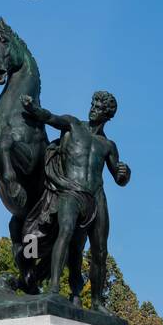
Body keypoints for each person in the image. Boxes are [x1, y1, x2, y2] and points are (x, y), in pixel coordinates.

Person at [21, 91, 130, 310]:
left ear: (107, 115)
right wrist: (33, 109)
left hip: (96, 197)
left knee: (100, 250)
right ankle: (53, 288)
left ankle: (97, 301)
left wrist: (125, 173)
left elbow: (119, 178)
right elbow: (50, 117)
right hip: (71, 191)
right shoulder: (72, 125)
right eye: (92, 103)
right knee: (67, 233)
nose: (93, 108)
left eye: (99, 107)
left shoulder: (108, 146)